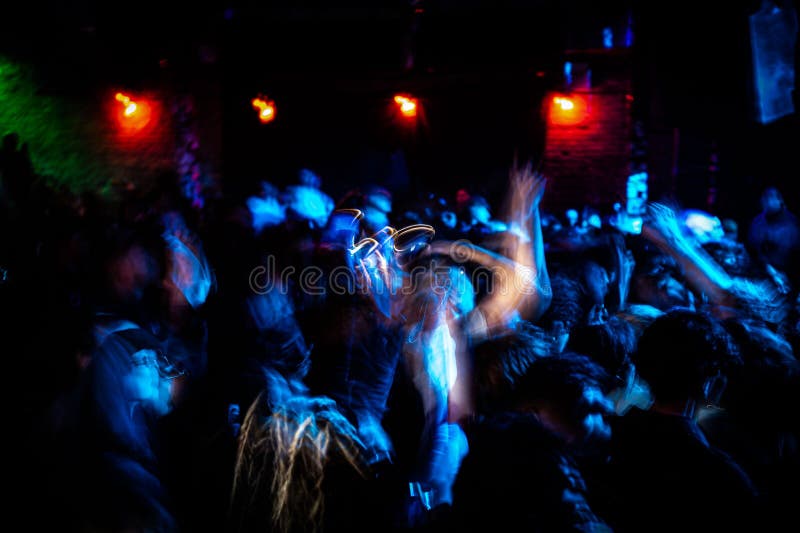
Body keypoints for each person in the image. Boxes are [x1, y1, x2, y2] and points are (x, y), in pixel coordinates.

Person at [747, 186, 800, 294]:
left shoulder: (791, 223)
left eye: (770, 197)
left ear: (780, 200)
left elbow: (790, 252)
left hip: (786, 276)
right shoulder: (758, 221)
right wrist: (769, 268)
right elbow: (753, 248)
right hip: (762, 274)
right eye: (764, 198)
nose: (767, 201)